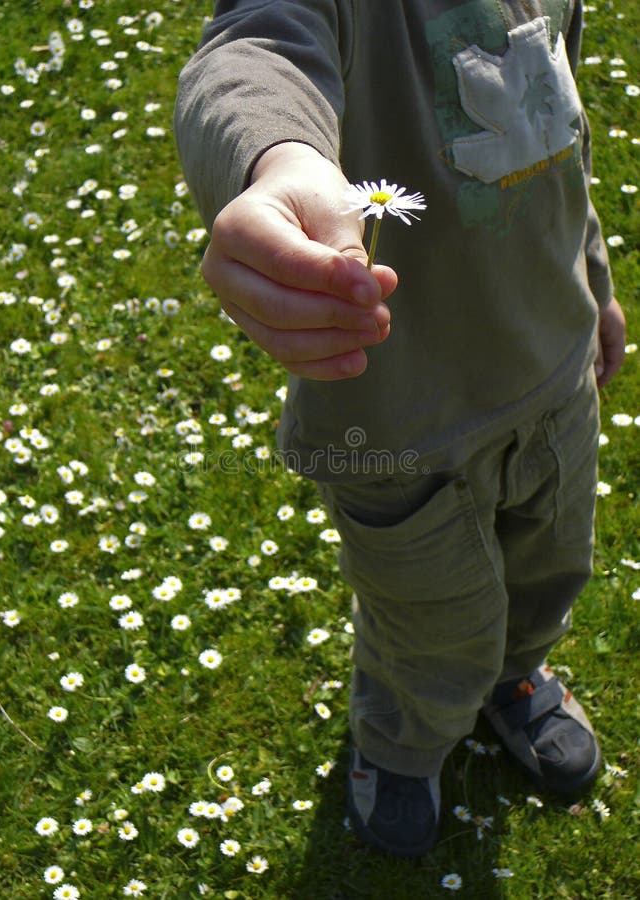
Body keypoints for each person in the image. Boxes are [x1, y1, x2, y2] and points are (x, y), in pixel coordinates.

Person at [174, 0, 626, 857]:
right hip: (402, 424)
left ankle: (513, 674)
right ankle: (402, 743)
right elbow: (256, 48)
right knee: (426, 624)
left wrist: (593, 279)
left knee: (551, 564)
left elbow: (557, 139)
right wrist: (278, 161)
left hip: (553, 377)